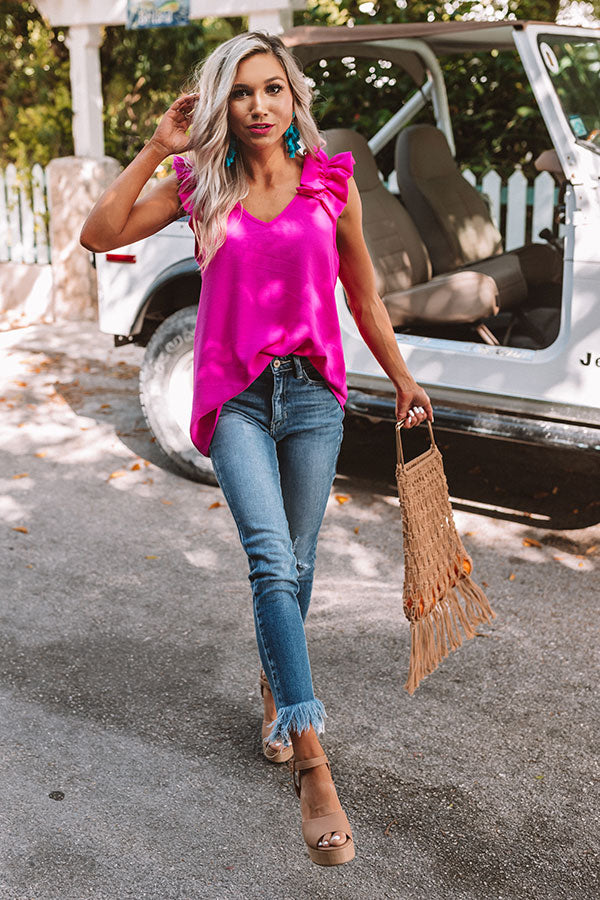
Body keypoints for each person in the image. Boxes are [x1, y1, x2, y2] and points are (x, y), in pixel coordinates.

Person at [80, 30, 433, 867]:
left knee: (302, 563)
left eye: (273, 88)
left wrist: (405, 377)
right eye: (242, 93)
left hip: (313, 397)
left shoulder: (329, 186)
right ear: (222, 106)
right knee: (272, 562)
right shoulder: (202, 184)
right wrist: (158, 145)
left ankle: (276, 685)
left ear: (293, 98)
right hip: (234, 398)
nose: (259, 105)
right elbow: (100, 233)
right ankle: (314, 764)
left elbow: (364, 298)